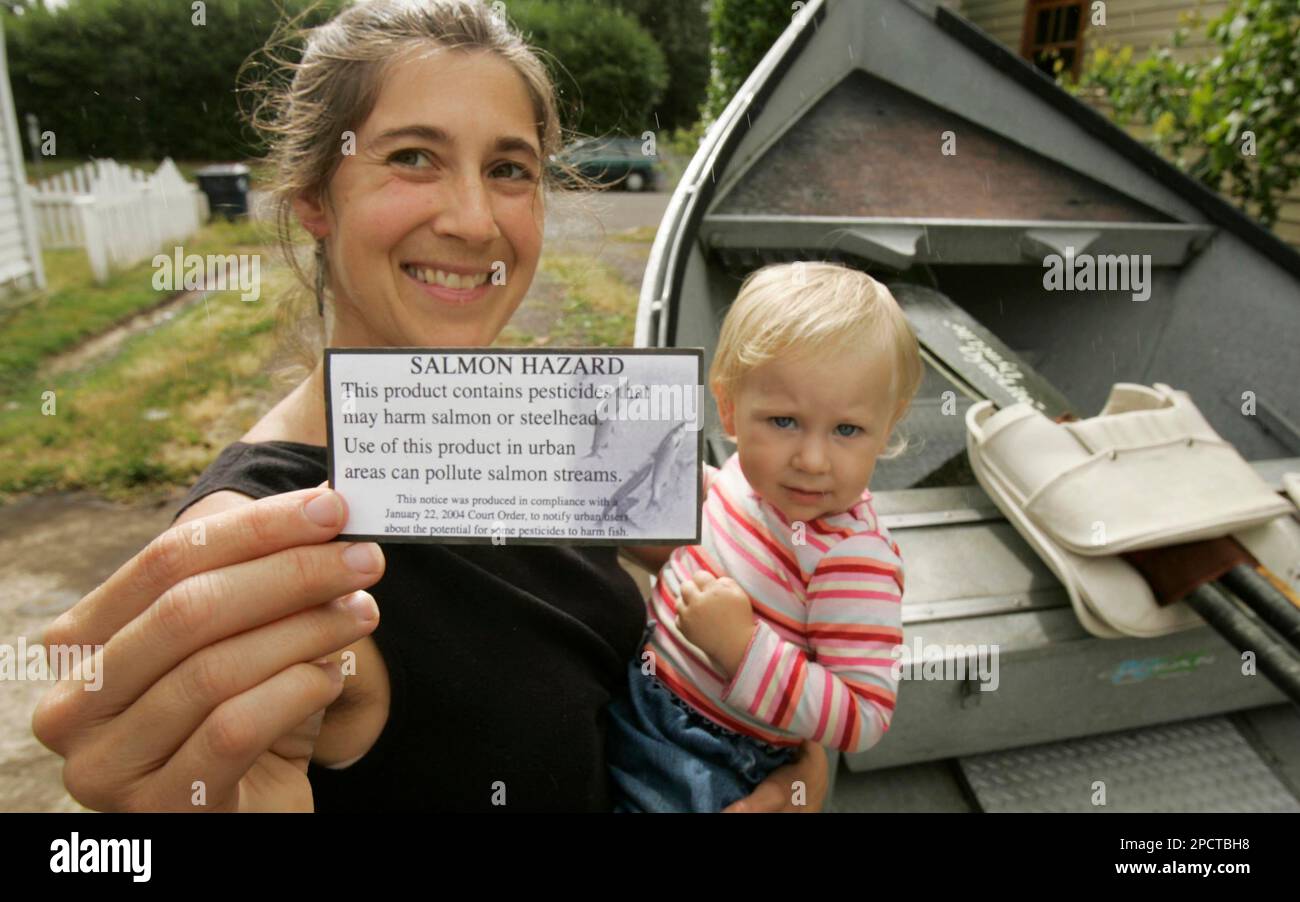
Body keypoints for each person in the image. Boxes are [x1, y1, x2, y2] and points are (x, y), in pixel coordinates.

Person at [30, 0, 827, 813]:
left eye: (510, 169)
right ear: (312, 199)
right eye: (413, 157)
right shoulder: (259, 541)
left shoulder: (562, 424)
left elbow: (763, 575)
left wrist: (794, 754)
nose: (475, 221)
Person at [610, 262, 923, 811]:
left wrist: (742, 649)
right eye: (783, 422)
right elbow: (727, 517)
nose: (812, 459)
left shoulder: (852, 559)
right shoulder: (747, 479)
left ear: (887, 427)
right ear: (730, 409)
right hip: (642, 688)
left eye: (847, 430)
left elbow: (865, 716)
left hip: (711, 752)